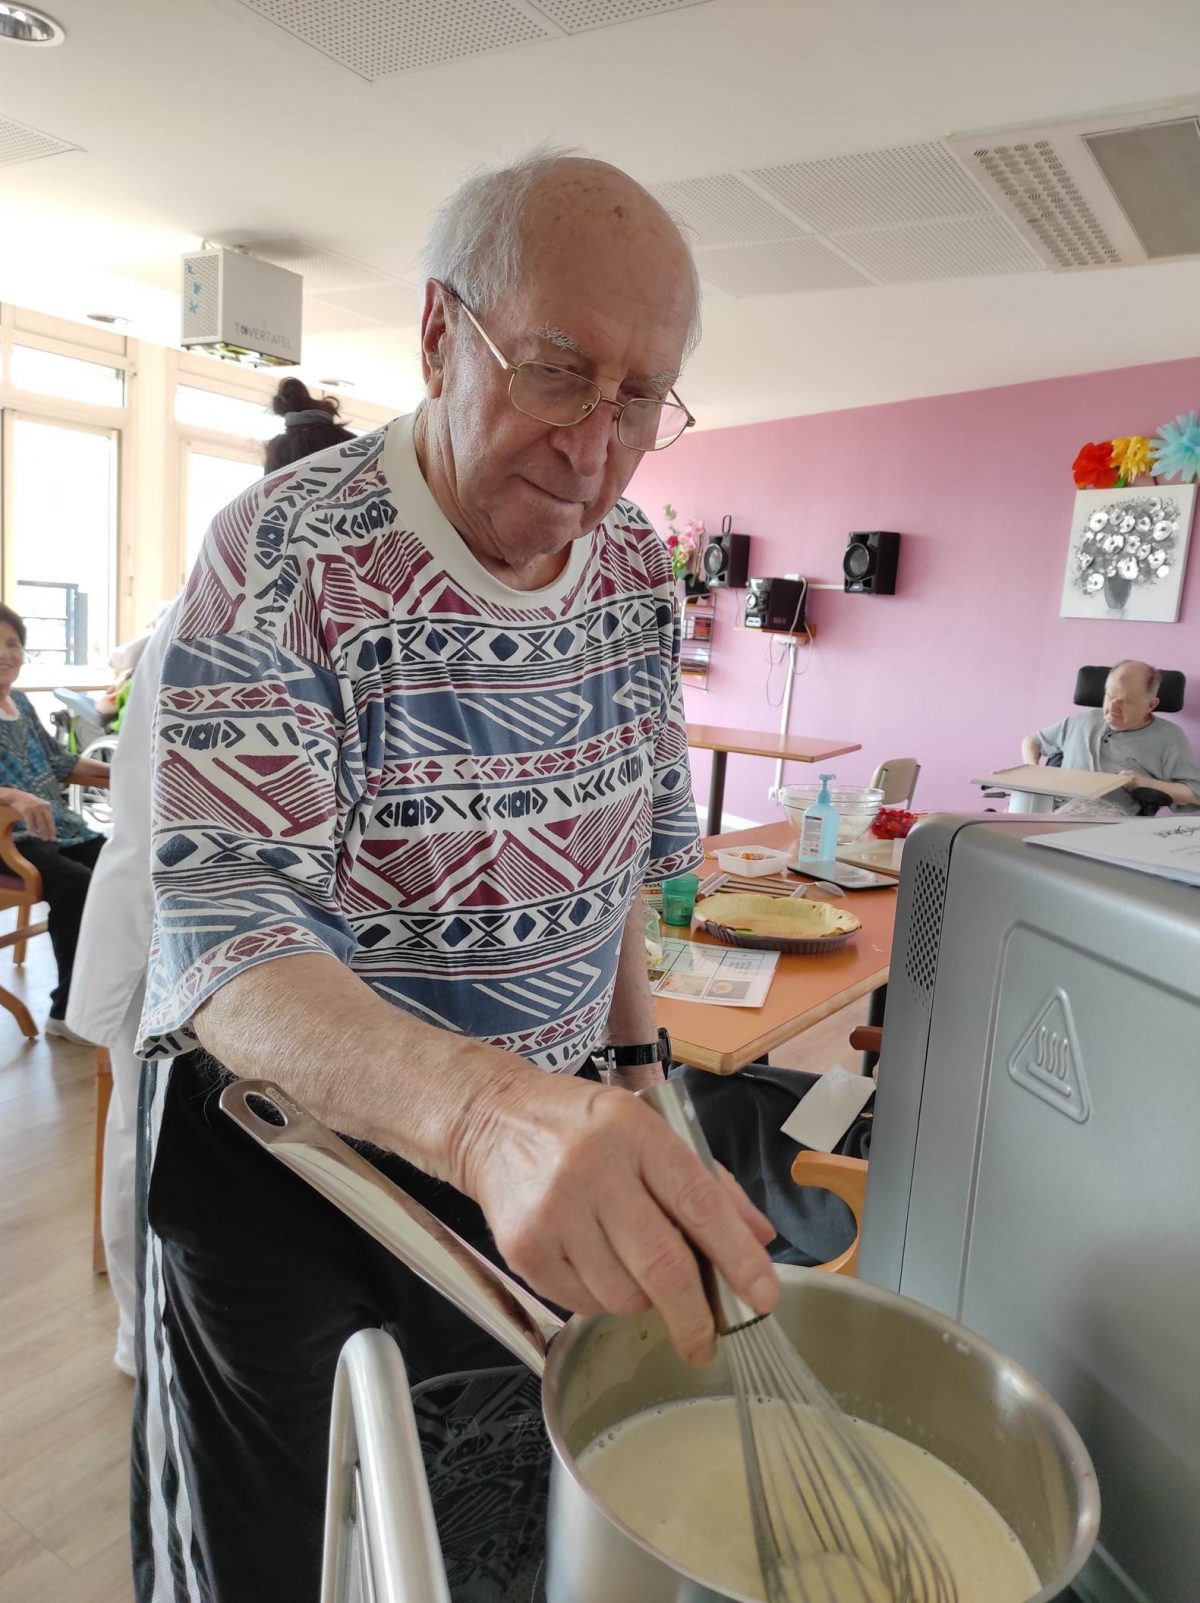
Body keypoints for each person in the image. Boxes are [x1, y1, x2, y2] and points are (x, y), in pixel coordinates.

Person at [132, 152, 779, 1603]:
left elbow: (619, 858)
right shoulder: (278, 558)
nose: (597, 450)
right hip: (290, 1153)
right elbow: (232, 935)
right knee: (273, 1554)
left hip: (530, 1157)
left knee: (483, 1516)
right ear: (438, 332)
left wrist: (626, 1067)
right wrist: (488, 1110)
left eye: (640, 399)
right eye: (558, 374)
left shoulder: (631, 575)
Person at [66, 383, 357, 1381]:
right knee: (143, 1147)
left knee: (185, 1150)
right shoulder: (221, 609)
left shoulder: (289, 608)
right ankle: (137, 1343)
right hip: (164, 924)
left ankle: (169, 1336)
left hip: (216, 936)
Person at [0, 603, 110, 1038]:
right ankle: (68, 1012)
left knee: (120, 865)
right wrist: (12, 796)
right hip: (7, 840)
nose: (6, 653)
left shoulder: (21, 703)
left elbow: (59, 762)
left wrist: (126, 772)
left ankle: (109, 993)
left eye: (13, 643)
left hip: (54, 830)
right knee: (78, 884)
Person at [1021, 659, 1200, 814]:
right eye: (1109, 696)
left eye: (1126, 701)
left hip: (1107, 822)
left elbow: (1195, 794)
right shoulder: (1083, 719)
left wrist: (1147, 783)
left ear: (1151, 705)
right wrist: (1033, 769)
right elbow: (1032, 742)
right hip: (1050, 812)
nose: (1112, 708)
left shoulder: (1169, 737)